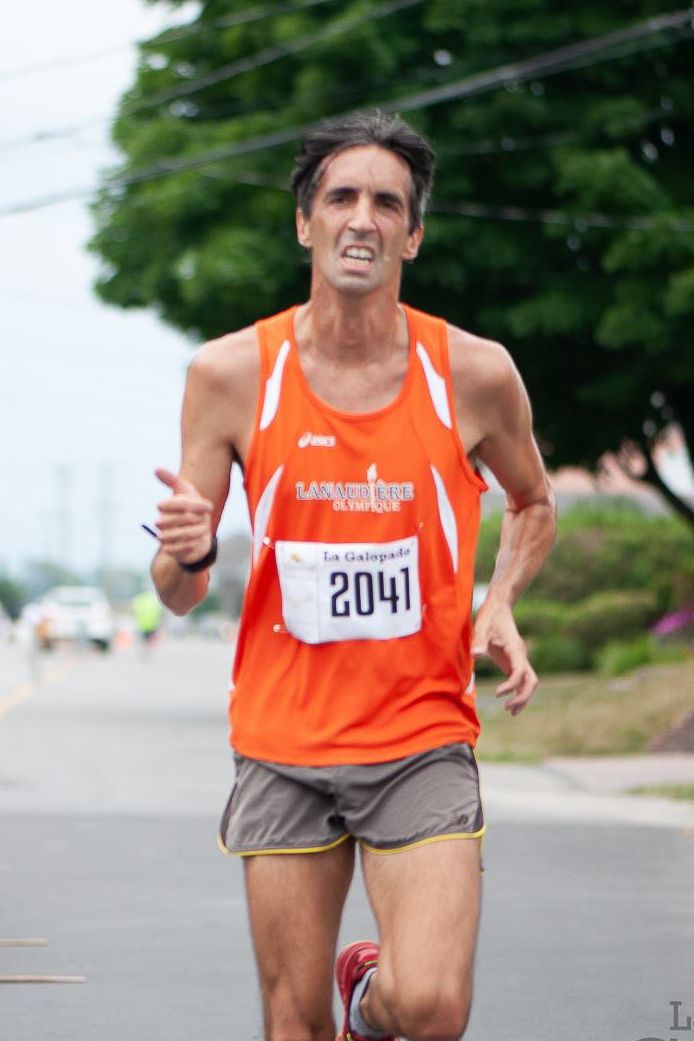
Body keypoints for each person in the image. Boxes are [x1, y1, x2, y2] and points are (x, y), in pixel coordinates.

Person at [151, 110, 556, 1041]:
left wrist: (498, 601)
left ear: (414, 233)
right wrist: (191, 547)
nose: (361, 219)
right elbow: (177, 588)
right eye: (340, 197)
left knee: (432, 1006)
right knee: (292, 1023)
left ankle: (370, 996)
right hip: (283, 736)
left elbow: (535, 502)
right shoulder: (231, 374)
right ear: (305, 223)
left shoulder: (475, 373)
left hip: (419, 732)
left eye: (387, 202)